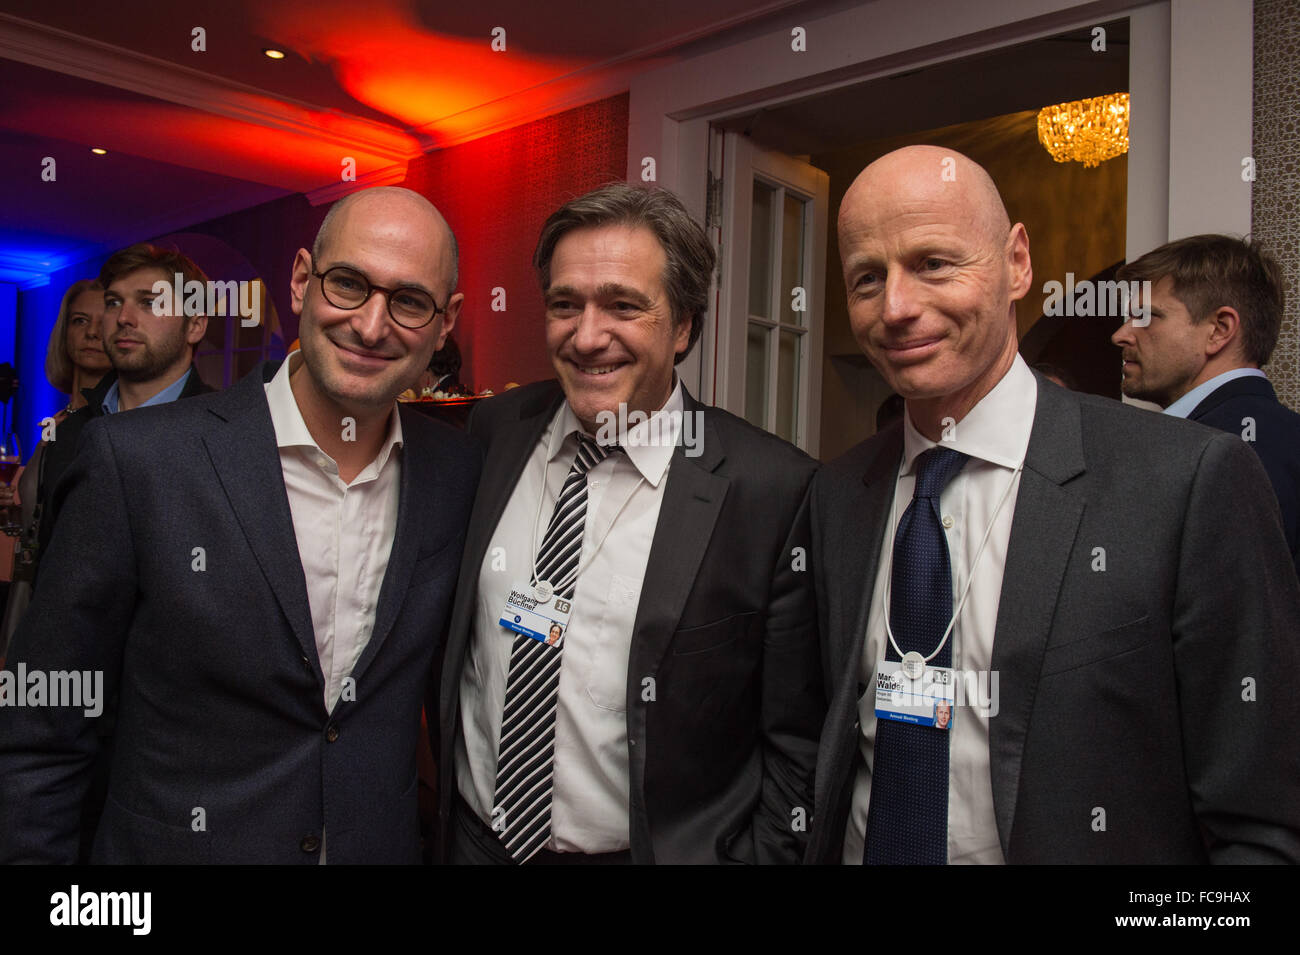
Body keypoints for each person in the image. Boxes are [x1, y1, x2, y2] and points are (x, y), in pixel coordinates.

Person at [806, 145, 1300, 865]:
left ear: (1017, 262)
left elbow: (1263, 825)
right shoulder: (836, 494)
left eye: (935, 263)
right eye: (867, 278)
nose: (898, 307)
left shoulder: (1186, 480)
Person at [0, 185, 479, 864]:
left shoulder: (456, 470)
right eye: (348, 284)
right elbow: (40, 731)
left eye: (408, 301)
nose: (372, 326)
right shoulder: (138, 462)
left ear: (445, 320)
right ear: (301, 279)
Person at [437, 182, 823, 865]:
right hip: (473, 841)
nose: (588, 337)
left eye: (623, 305)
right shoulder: (497, 428)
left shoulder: (769, 489)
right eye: (565, 305)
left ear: (683, 326)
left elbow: (795, 742)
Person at [1112, 235, 1300, 575]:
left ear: (1219, 330)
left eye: (1146, 316)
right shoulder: (1286, 438)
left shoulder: (1196, 453)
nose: (1121, 334)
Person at [34, 244, 216, 582]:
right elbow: (50, 577)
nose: (123, 318)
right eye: (114, 302)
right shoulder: (68, 434)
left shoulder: (227, 436)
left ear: (195, 325)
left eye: (149, 303)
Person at [1, 279, 112, 646]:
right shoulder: (55, 423)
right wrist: (13, 512)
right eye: (80, 321)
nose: (93, 333)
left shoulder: (114, 428)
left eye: (105, 321)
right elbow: (39, 516)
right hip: (26, 591)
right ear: (65, 332)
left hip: (73, 617)